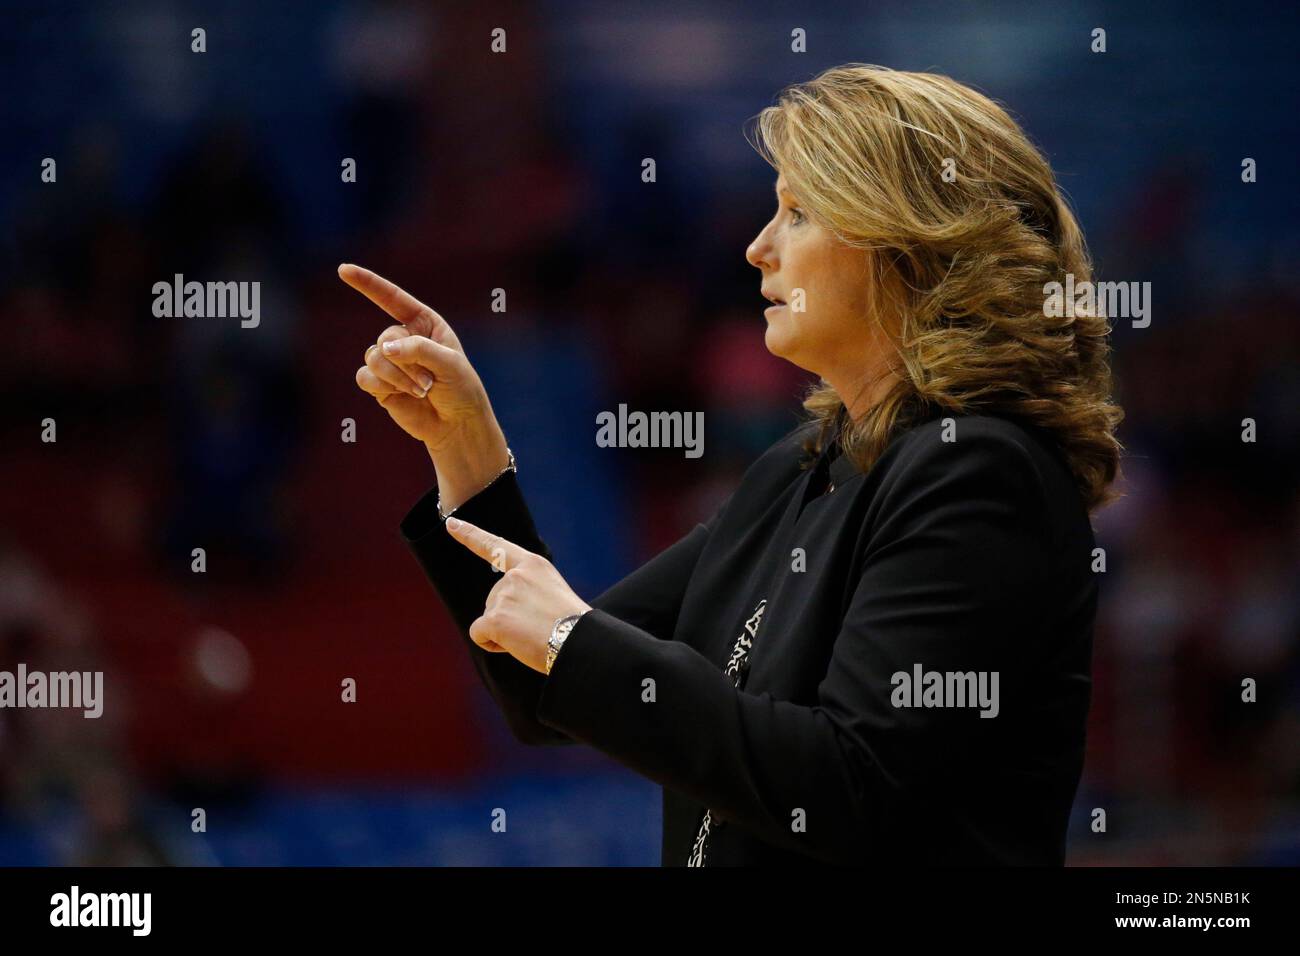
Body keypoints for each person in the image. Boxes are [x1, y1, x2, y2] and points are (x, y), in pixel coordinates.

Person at [340, 63, 1124, 866]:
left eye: (798, 212)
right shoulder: (800, 469)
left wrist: (571, 638)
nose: (757, 249)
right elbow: (542, 686)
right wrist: (468, 456)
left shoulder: (977, 473)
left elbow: (852, 787)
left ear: (912, 244)